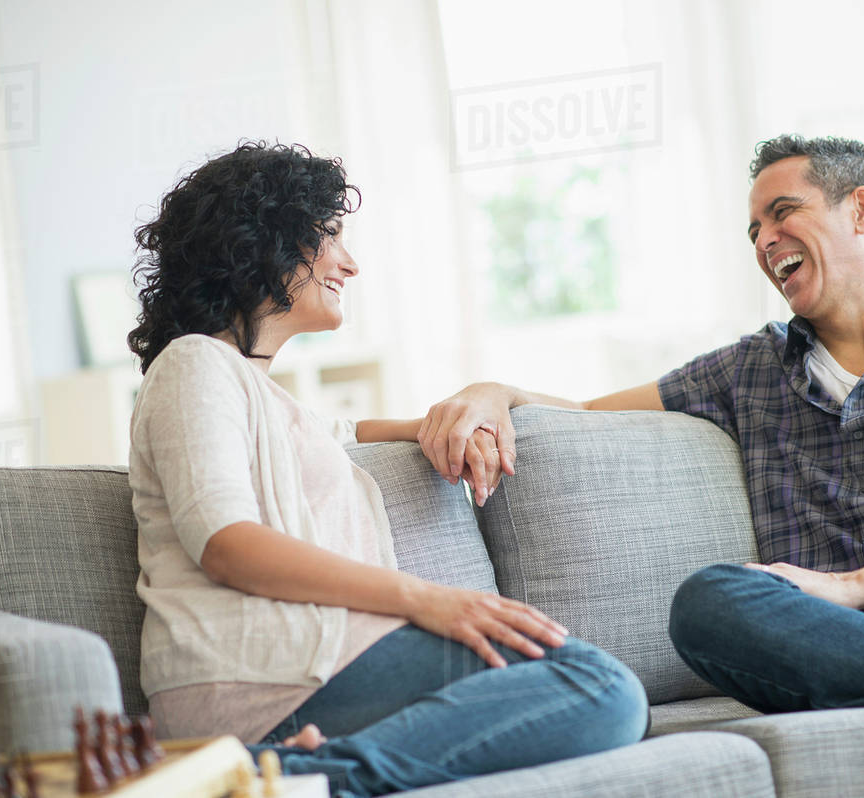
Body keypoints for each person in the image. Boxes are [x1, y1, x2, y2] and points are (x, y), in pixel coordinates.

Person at [417, 135, 864, 797]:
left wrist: (851, 588)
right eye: (754, 230)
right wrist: (492, 392)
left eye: (782, 212)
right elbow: (575, 408)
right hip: (830, 647)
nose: (765, 240)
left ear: (861, 211)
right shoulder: (749, 367)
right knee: (708, 604)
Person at [126, 141, 648, 797]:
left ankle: (309, 773)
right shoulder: (193, 366)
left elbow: (347, 432)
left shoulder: (266, 399)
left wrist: (467, 412)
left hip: (314, 670)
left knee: (595, 687)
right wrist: (431, 602)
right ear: (268, 240)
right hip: (259, 679)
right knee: (597, 687)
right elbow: (228, 546)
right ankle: (284, 778)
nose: (350, 262)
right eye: (332, 236)